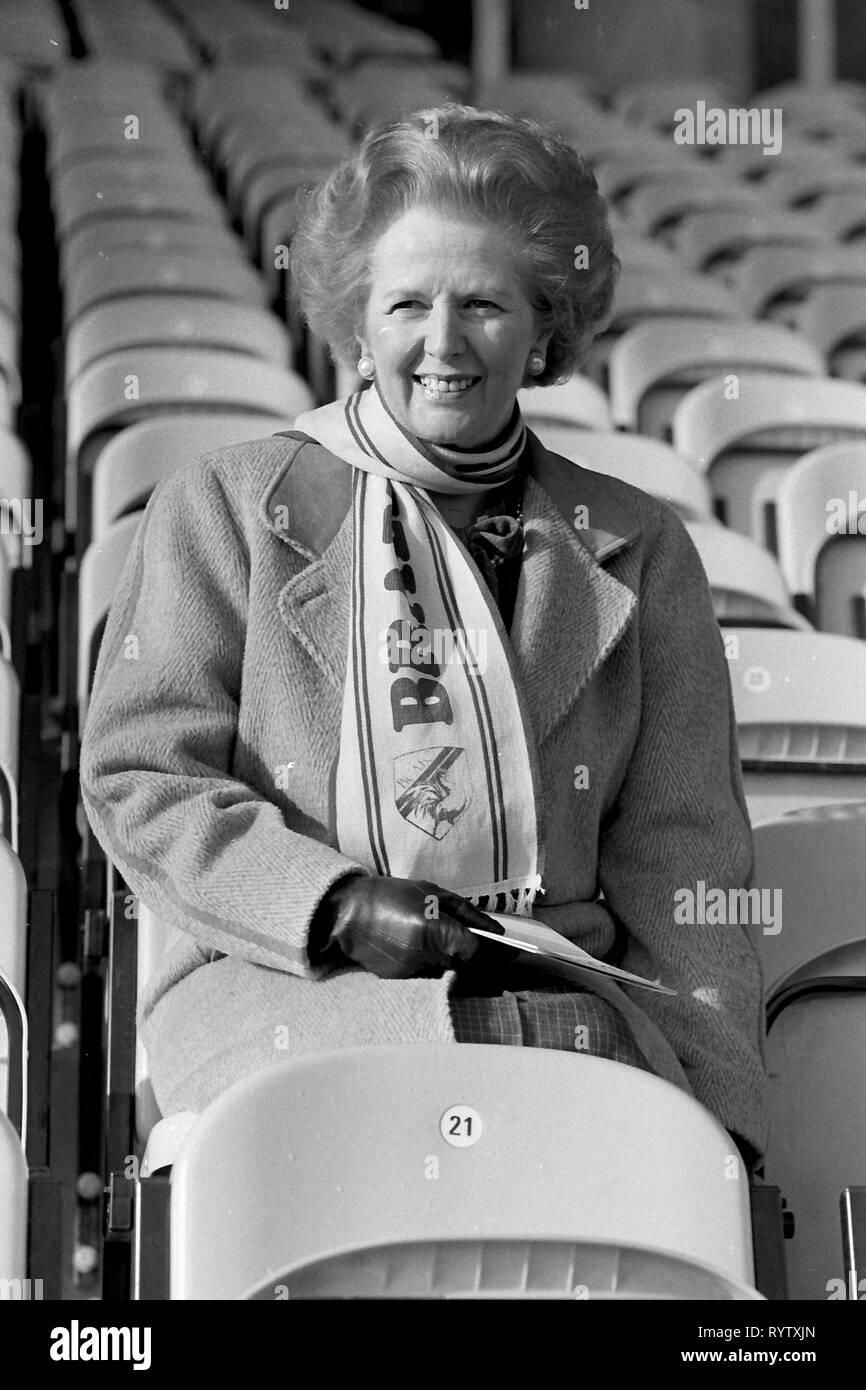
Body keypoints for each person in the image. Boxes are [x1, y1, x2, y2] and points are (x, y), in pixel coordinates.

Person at [80, 105, 768, 1166]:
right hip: (289, 997)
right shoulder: (221, 506)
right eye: (407, 304)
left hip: (562, 1018)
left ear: (544, 327)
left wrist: (719, 1129)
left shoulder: (640, 545)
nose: (442, 345)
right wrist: (338, 907)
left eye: (485, 305)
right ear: (357, 324)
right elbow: (140, 775)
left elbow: (685, 861)